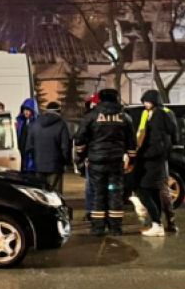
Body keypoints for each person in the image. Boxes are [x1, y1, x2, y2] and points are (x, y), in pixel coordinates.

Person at [74, 87, 137, 236]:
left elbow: (79, 139)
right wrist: (132, 161)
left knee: (98, 193)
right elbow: (132, 143)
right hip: (116, 163)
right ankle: (115, 228)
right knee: (115, 193)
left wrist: (81, 158)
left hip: (96, 163)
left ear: (100, 99)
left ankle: (98, 228)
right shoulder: (124, 117)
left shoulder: (91, 116)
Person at [133, 89, 180, 236]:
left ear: (152, 101)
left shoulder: (159, 114)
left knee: (149, 190)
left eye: (146, 101)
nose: (144, 104)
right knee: (157, 190)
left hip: (154, 159)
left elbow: (155, 139)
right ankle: (160, 223)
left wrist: (142, 154)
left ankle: (158, 224)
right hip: (158, 158)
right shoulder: (157, 113)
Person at [27, 101, 72, 192]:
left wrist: (34, 159)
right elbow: (65, 147)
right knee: (55, 195)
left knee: (41, 193)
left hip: (38, 165)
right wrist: (67, 162)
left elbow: (29, 146)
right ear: (58, 111)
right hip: (55, 165)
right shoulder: (61, 124)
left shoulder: (35, 124)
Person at [76, 93, 99, 222]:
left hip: (92, 157)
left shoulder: (89, 118)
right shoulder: (116, 116)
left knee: (91, 186)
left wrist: (81, 156)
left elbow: (80, 138)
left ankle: (91, 212)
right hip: (108, 158)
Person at [16, 98, 39, 171]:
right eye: (24, 110)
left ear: (33, 111)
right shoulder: (21, 122)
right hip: (21, 152)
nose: (26, 112)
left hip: (31, 155)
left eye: (28, 110)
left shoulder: (37, 123)